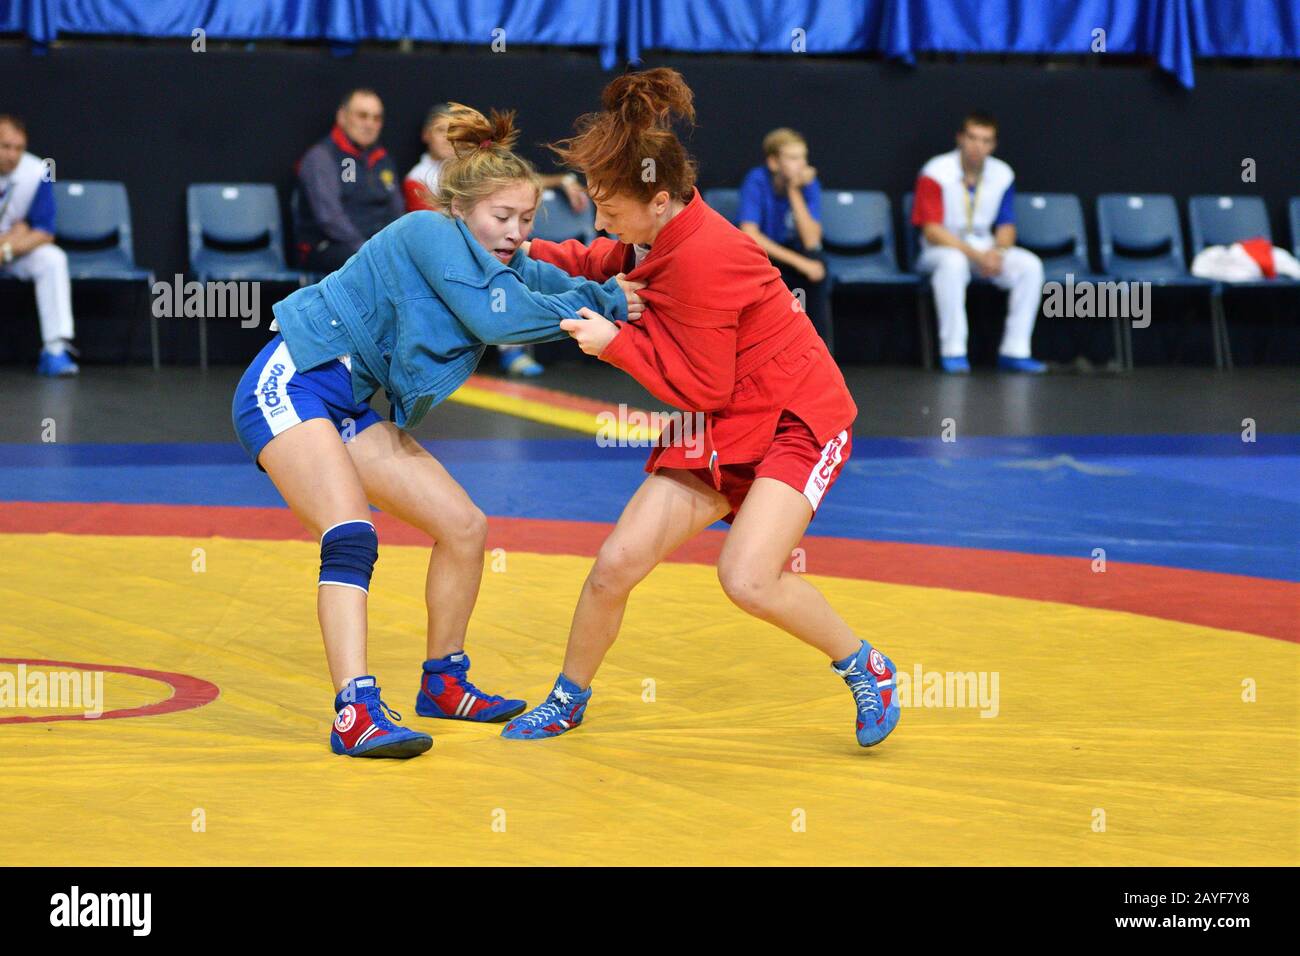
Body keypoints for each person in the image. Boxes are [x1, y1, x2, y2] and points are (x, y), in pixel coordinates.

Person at [503, 68, 901, 749]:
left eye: (612, 207)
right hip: (728, 414)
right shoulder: (654, 230)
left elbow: (700, 390)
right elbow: (596, 256)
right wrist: (519, 250)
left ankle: (867, 665)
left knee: (746, 578)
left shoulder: (707, 260)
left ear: (659, 201)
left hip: (796, 419)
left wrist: (614, 345)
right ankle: (568, 698)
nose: (602, 219)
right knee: (615, 565)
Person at [231, 104, 641, 758]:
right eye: (501, 218)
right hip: (291, 381)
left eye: (527, 219)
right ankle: (354, 711)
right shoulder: (427, 231)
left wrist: (623, 281)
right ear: (461, 210)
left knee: (464, 527)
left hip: (343, 403)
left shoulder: (491, 252)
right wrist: (611, 306)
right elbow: (497, 317)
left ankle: (443, 682)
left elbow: (546, 278)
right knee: (350, 533)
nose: (515, 233)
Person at [405, 102, 590, 378]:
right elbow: (434, 230)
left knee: (510, 267)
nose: (446, 137)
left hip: (478, 253)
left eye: (526, 219)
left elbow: (516, 185)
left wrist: (561, 179)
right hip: (445, 258)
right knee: (494, 273)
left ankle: (514, 349)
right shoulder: (419, 178)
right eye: (440, 130)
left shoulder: (472, 167)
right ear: (425, 135)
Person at [912, 111, 1046, 373]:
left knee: (1030, 265)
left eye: (986, 140)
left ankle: (1015, 350)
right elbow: (931, 231)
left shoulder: (1003, 173)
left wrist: (998, 251)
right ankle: (953, 351)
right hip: (941, 250)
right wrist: (977, 255)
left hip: (984, 248)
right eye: (972, 138)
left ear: (993, 145)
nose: (978, 146)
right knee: (953, 263)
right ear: (960, 138)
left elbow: (1006, 225)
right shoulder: (935, 171)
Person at [737, 128, 832, 351]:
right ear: (773, 162)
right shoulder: (756, 180)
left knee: (819, 263)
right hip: (764, 256)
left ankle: (817, 350)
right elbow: (750, 234)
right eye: (792, 158)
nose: (801, 165)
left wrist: (793, 190)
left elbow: (811, 241)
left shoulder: (809, 185)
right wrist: (800, 263)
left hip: (795, 251)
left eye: (804, 157)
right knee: (806, 265)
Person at [293, 88, 405, 276]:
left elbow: (396, 210)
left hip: (372, 246)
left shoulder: (383, 158)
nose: (370, 124)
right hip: (329, 246)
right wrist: (367, 250)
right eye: (362, 116)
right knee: (366, 264)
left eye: (376, 118)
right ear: (342, 116)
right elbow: (329, 217)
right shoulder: (321, 157)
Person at [0, 114, 77, 376]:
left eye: (18, 148)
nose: (13, 155)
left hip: (13, 251)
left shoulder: (37, 171)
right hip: (10, 241)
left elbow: (44, 231)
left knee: (52, 258)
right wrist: (17, 232)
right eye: (5, 146)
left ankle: (55, 351)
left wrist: (8, 248)